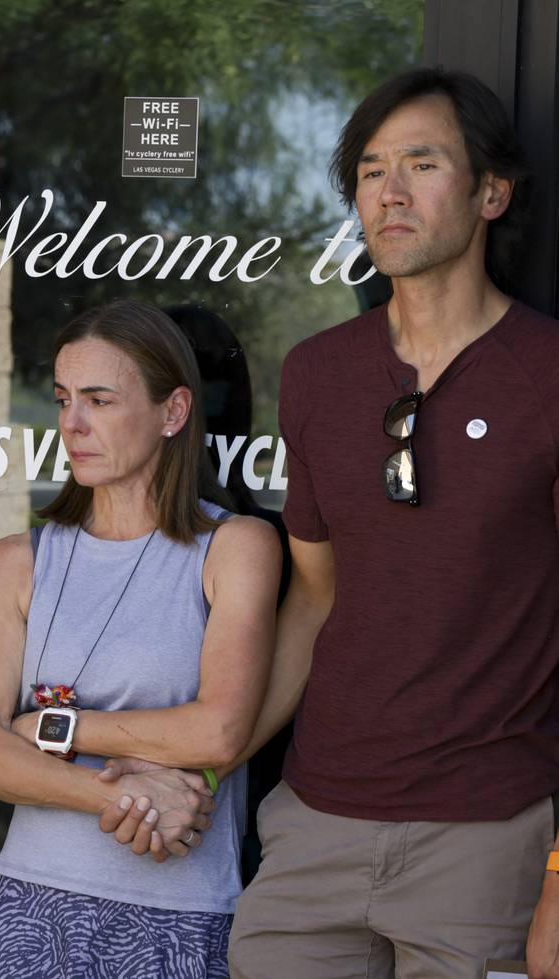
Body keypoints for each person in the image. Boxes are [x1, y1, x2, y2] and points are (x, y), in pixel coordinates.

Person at [216, 67, 559, 978]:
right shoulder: (318, 373)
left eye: (421, 162)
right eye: (370, 170)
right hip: (313, 827)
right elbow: (313, 601)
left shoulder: (548, 374)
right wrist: (210, 760)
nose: (389, 192)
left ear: (492, 192)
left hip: (485, 843)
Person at [0, 298, 281, 979]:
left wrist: (49, 725)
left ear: (173, 412)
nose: (71, 424)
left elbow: (218, 730)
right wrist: (118, 797)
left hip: (180, 914)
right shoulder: (17, 560)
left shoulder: (234, 547)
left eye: (99, 400)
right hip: (26, 910)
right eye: (64, 398)